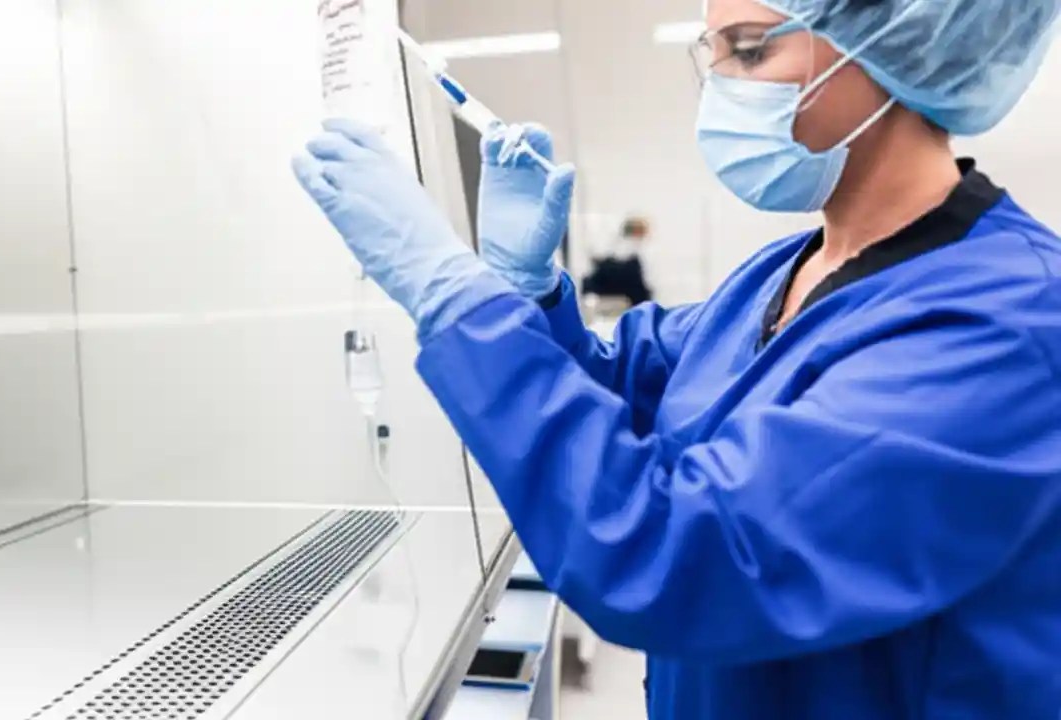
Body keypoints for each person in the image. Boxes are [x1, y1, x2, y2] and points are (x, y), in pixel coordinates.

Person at [291, 0, 1061, 717]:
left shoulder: (1003, 324)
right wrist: (528, 295)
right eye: (713, 52)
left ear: (896, 46)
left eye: (751, 50)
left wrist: (453, 295)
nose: (719, 86)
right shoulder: (787, 272)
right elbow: (623, 388)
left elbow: (692, 552)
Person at [583, 216, 654, 306]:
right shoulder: (642, 251)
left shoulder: (611, 247)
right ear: (638, 232)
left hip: (604, 300)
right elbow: (649, 282)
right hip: (632, 300)